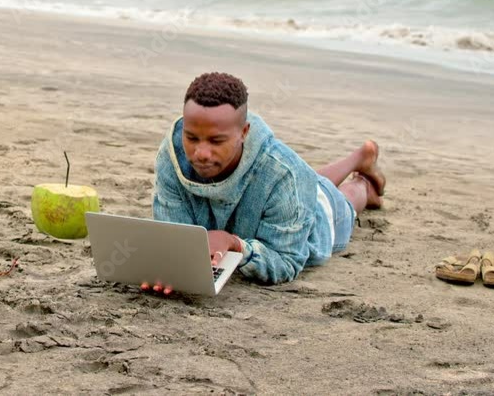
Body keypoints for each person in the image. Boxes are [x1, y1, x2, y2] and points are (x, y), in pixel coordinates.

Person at [146, 72, 385, 293]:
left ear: (244, 132)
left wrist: (235, 244)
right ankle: (359, 158)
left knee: (340, 199)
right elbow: (174, 236)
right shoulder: (172, 157)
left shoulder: (285, 173)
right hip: (293, 186)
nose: (201, 153)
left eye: (216, 141)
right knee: (308, 181)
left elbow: (287, 260)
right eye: (191, 137)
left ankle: (363, 178)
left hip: (318, 216)